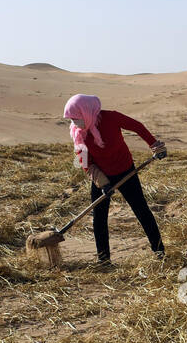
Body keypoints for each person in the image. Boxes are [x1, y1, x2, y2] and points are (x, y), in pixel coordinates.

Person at [62, 94, 167, 265]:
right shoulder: (78, 134)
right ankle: (104, 259)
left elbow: (137, 126)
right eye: (71, 119)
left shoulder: (111, 117)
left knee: (141, 210)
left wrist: (155, 146)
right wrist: (103, 183)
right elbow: (85, 162)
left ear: (86, 112)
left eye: (76, 118)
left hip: (125, 171)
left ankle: (159, 252)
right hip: (101, 175)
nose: (74, 123)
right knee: (99, 218)